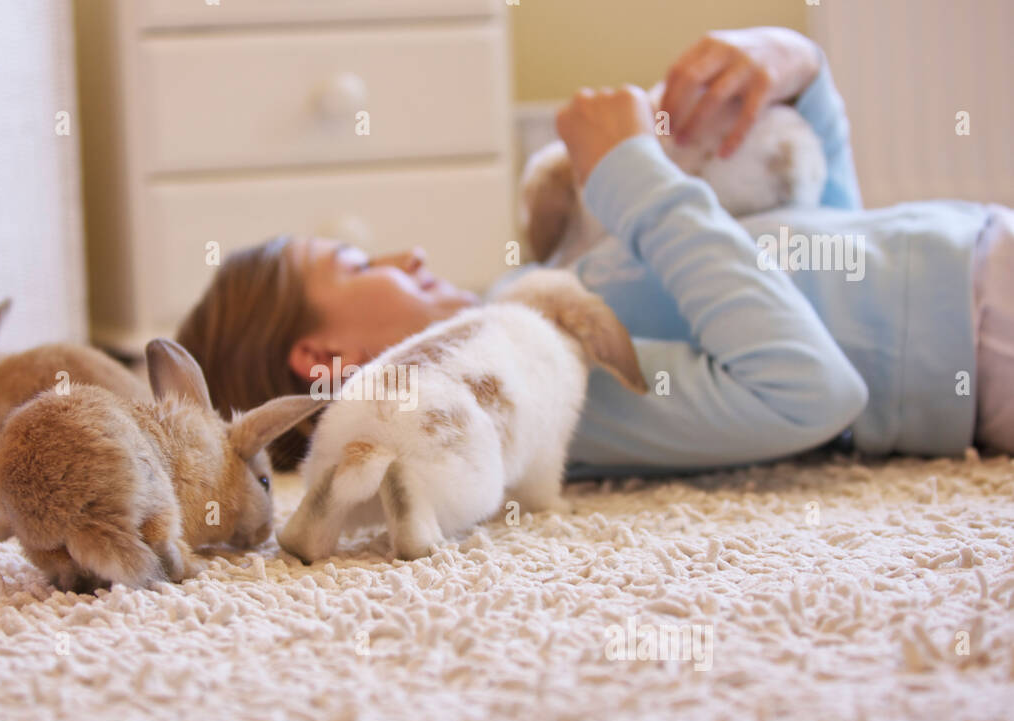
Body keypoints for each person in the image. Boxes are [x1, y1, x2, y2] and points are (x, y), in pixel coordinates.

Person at [176, 27, 1012, 476]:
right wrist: (628, 175)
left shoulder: (531, 299)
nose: (407, 252)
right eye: (357, 265)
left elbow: (824, 248)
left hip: (973, 256)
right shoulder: (530, 383)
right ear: (327, 356)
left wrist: (794, 66)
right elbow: (815, 390)